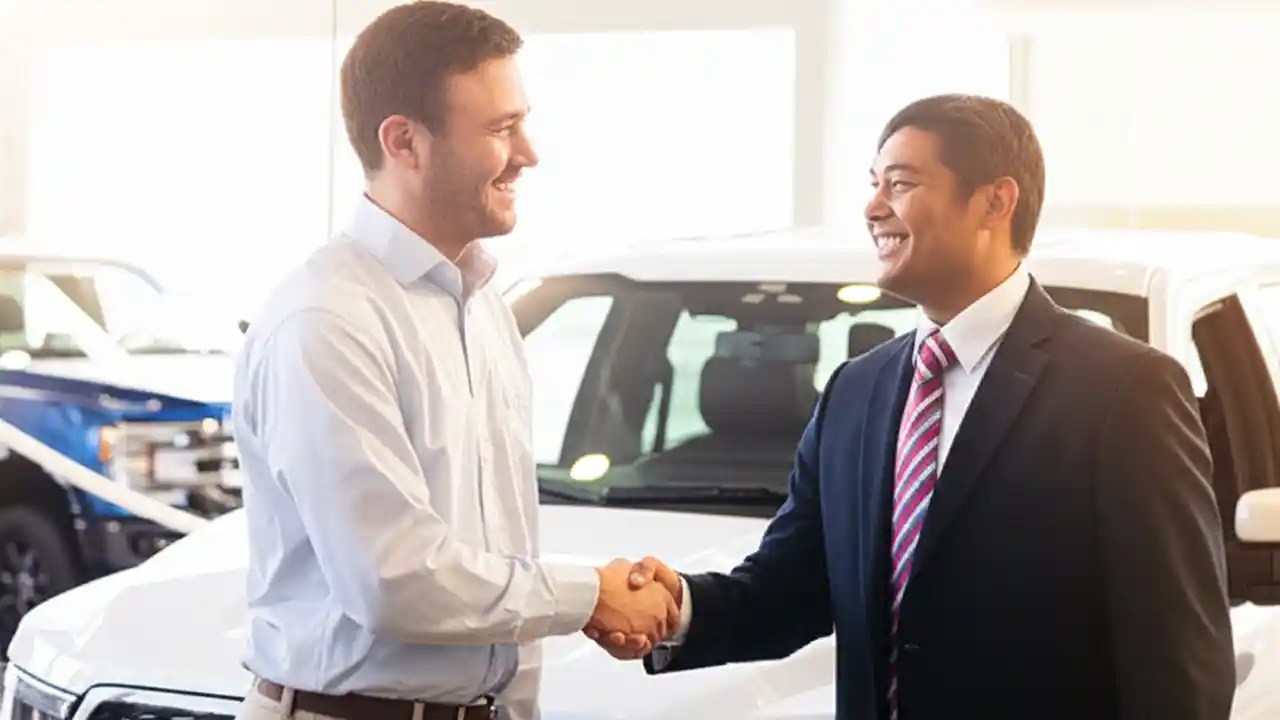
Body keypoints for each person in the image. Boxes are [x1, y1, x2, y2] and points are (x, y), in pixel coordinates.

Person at [593, 94, 1236, 720]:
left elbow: (1177, 655)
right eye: (873, 184)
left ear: (995, 201)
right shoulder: (856, 391)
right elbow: (794, 587)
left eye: (899, 184)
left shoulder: (1125, 389)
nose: (873, 208)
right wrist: (679, 607)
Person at [231, 3, 676, 719]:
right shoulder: (327, 321)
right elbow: (395, 579)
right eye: (501, 128)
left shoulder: (482, 305)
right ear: (404, 141)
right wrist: (590, 595)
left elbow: (503, 546)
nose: (529, 152)